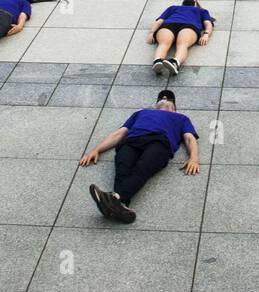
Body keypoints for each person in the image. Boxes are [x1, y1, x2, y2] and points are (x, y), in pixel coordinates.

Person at [81, 89, 201, 224]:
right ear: (155, 105)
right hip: (131, 141)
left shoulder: (181, 118)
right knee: (122, 168)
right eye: (162, 98)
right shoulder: (140, 113)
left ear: (174, 108)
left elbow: (190, 138)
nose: (165, 98)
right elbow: (119, 133)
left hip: (159, 142)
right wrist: (97, 150)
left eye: (169, 99)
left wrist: (194, 158)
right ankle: (120, 207)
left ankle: (114, 199)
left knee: (143, 168)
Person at [145, 0, 215, 77]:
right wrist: (206, 34)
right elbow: (208, 24)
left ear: (183, 3)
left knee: (163, 44)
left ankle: (157, 60)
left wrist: (151, 33)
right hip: (189, 26)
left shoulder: (173, 8)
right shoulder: (201, 10)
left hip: (169, 24)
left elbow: (159, 21)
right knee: (182, 45)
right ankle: (175, 62)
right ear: (195, 4)